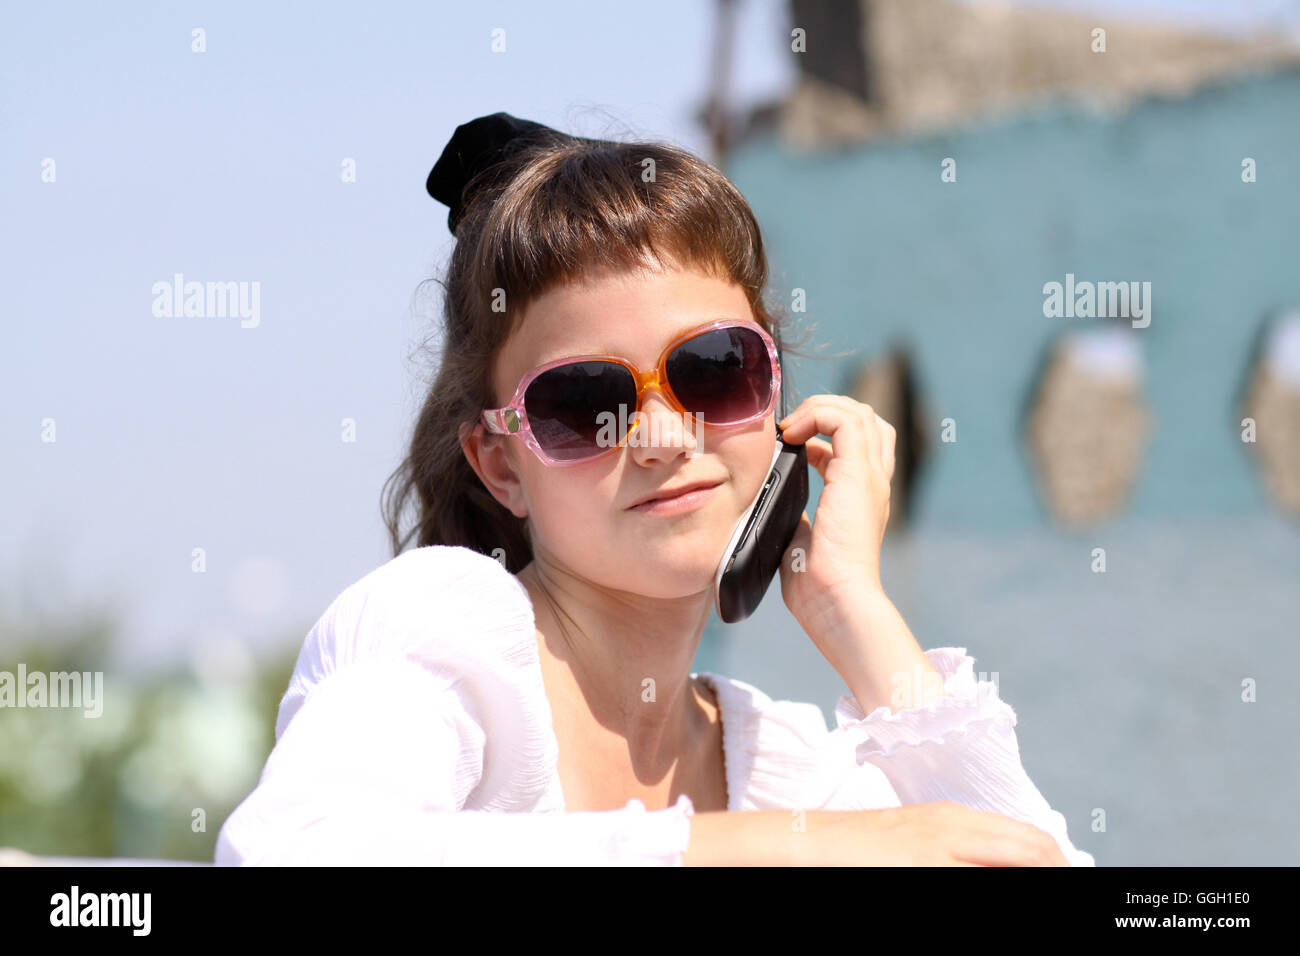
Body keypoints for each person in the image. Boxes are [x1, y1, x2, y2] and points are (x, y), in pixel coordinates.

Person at [214, 112, 1095, 866]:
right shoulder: (450, 634)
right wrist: (784, 848)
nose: (664, 438)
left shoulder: (775, 761)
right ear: (500, 464)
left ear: (777, 392)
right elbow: (297, 851)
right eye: (586, 400)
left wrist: (851, 606)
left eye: (715, 370)